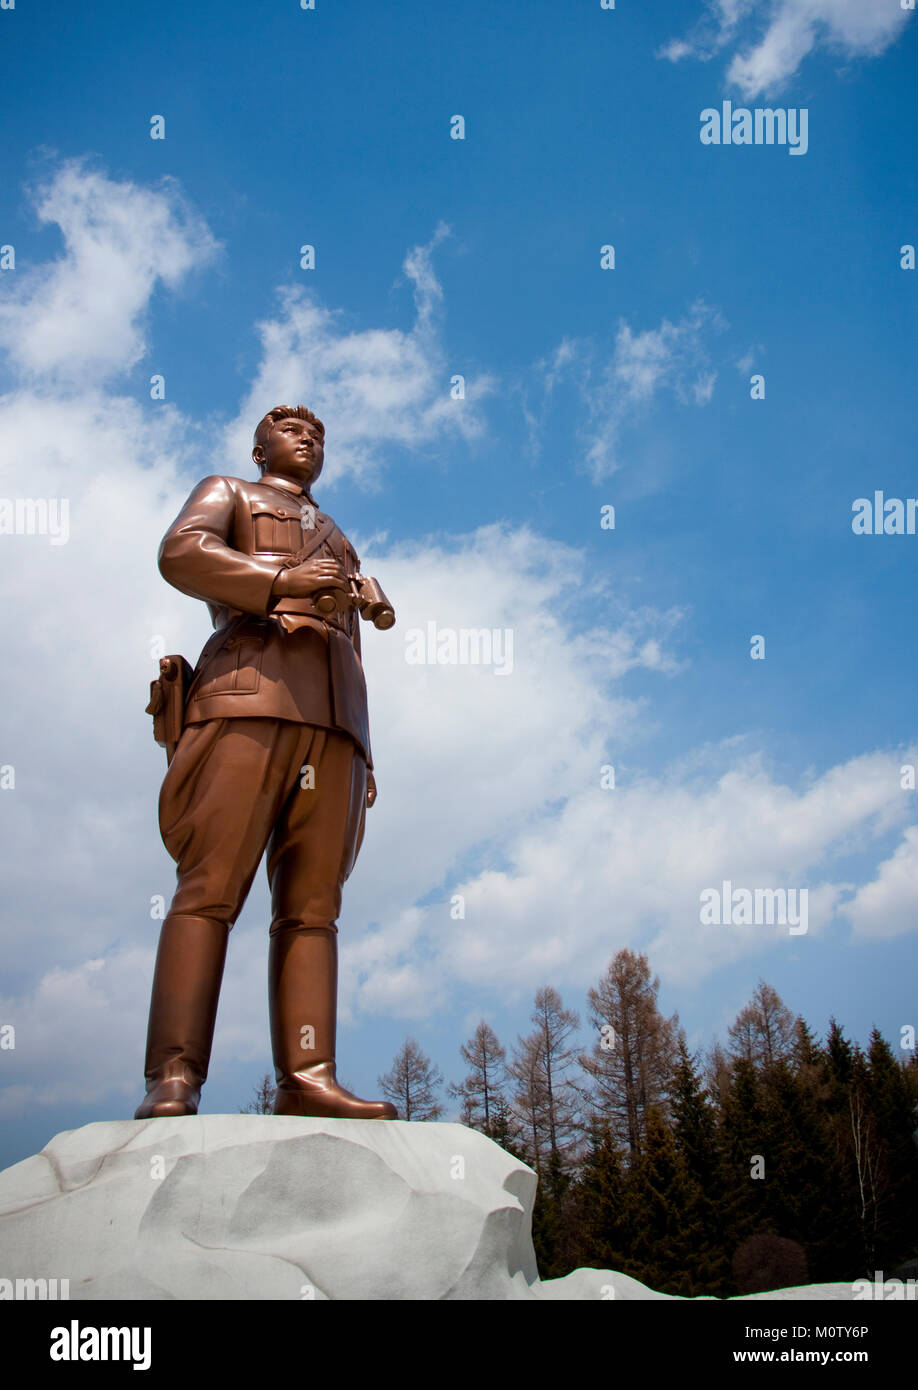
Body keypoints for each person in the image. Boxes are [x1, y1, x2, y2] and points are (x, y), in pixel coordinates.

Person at [134, 404, 397, 1121]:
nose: (307, 439)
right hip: (248, 698)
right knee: (209, 888)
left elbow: (354, 644)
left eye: (317, 434)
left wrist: (365, 749)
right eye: (290, 430)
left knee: (314, 909)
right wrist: (279, 584)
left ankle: (308, 1076)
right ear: (260, 447)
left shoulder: (341, 538)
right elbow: (180, 554)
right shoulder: (230, 492)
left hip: (335, 723)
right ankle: (174, 1075)